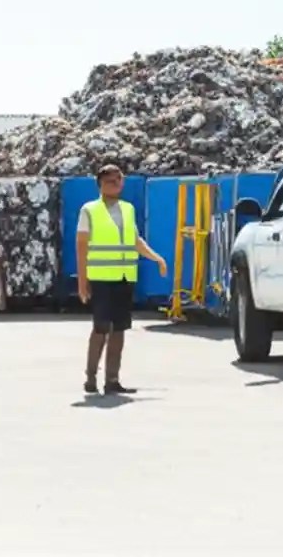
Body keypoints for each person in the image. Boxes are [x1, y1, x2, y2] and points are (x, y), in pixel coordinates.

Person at [77, 164, 167, 395]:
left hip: (125, 277)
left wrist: (157, 258)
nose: (116, 184)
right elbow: (82, 246)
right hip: (101, 278)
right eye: (110, 181)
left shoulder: (127, 209)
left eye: (119, 180)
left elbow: (135, 241)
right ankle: (90, 377)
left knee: (119, 329)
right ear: (100, 184)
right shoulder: (90, 210)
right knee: (101, 328)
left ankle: (112, 380)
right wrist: (82, 282)